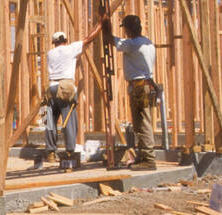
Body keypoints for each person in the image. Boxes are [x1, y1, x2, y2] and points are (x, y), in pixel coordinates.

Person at [40, 18, 105, 169]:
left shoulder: (50, 53)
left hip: (51, 88)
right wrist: (100, 25)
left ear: (54, 42)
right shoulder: (71, 48)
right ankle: (70, 151)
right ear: (66, 40)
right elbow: (89, 38)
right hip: (66, 87)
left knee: (49, 120)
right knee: (69, 120)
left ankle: (50, 152)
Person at [112, 15, 159, 168]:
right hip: (146, 85)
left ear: (128, 28)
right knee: (140, 122)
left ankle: (149, 159)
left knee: (143, 122)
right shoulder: (148, 43)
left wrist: (104, 25)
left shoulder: (133, 44)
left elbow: (112, 41)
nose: (124, 31)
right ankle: (143, 156)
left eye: (124, 28)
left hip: (139, 86)